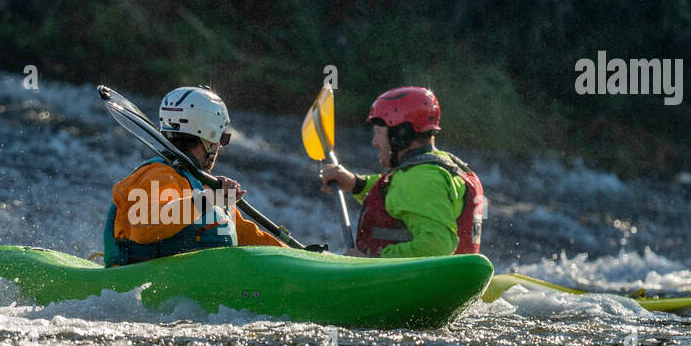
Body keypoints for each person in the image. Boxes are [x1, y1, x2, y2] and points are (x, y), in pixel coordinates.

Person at [103, 87, 288, 265]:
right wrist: (209, 200)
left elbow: (247, 236)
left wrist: (295, 256)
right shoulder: (158, 175)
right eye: (222, 138)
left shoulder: (204, 187)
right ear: (210, 135)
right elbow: (143, 227)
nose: (221, 146)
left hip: (202, 281)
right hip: (142, 283)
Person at [319, 87, 484, 258]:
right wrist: (356, 183)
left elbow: (437, 247)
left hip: (413, 281)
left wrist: (372, 261)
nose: (374, 142)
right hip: (449, 279)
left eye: (378, 133)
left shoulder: (420, 180)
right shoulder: (442, 168)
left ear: (400, 133)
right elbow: (399, 195)